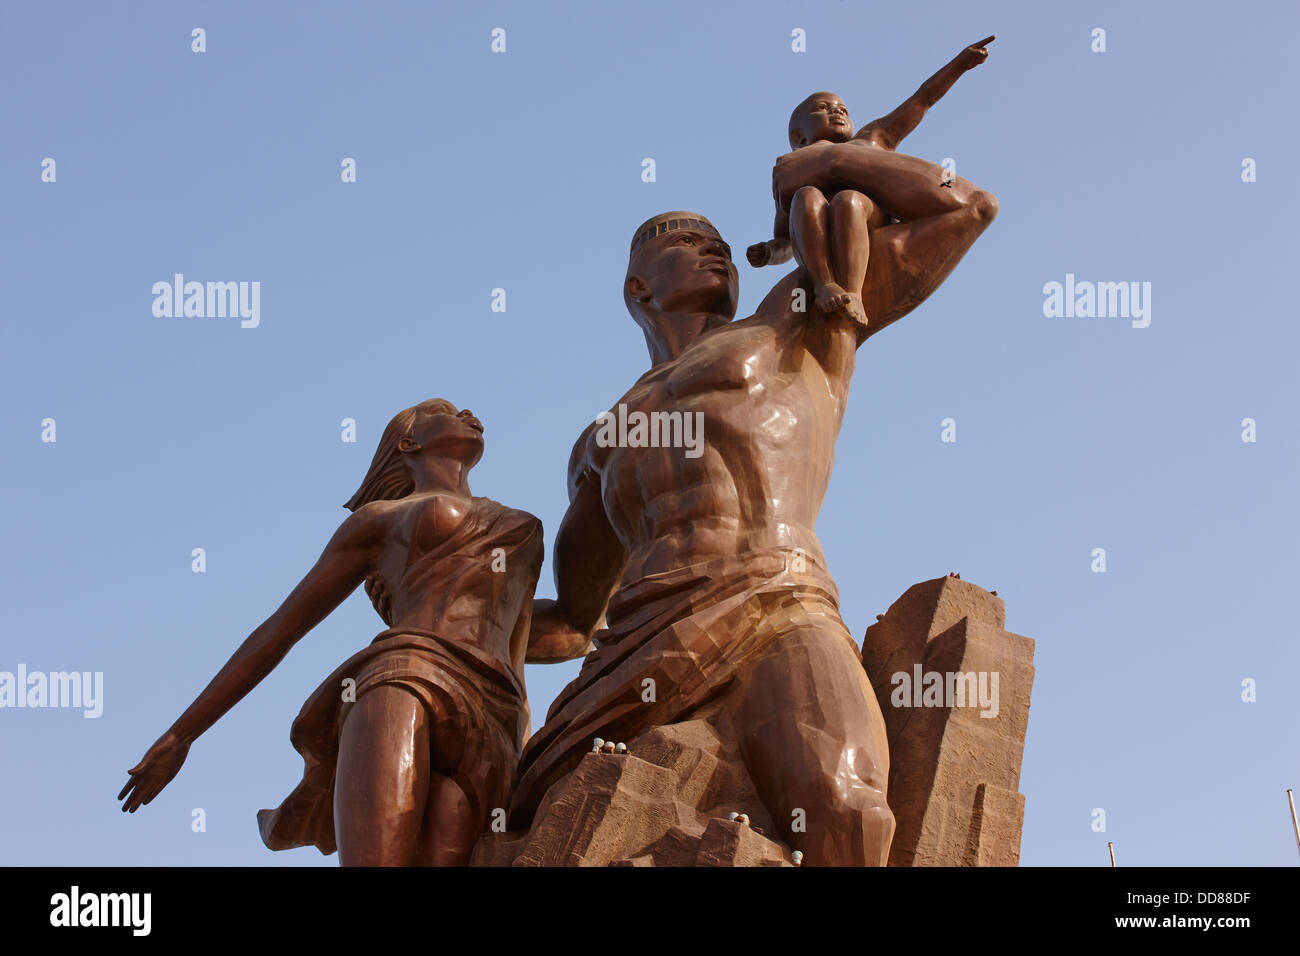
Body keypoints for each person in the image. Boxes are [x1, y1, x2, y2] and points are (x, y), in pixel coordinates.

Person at [515, 161, 996, 865]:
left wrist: (827, 163)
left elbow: (965, 210)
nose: (713, 247)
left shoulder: (796, 320)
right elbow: (573, 620)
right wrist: (443, 624)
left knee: (848, 812)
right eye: (684, 240)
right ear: (638, 286)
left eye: (718, 242)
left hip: (780, 601)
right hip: (636, 643)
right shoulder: (600, 441)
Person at [119, 399, 554, 866]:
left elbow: (519, 645)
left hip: (494, 716)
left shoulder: (522, 529)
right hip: (406, 675)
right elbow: (281, 629)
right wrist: (183, 734)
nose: (467, 412)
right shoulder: (380, 519)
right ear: (410, 443)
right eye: (444, 410)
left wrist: (523, 752)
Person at [747, 35, 995, 328]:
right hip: (819, 235)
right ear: (797, 137)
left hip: (867, 219)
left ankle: (854, 291)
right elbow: (786, 241)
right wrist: (768, 252)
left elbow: (921, 101)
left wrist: (959, 65)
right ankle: (824, 283)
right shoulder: (789, 171)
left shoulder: (870, 139)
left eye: (842, 108)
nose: (836, 110)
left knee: (848, 200)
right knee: (807, 197)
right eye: (823, 108)